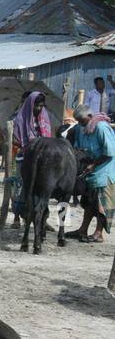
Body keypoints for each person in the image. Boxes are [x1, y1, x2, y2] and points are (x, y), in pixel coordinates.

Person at [70, 102, 115, 242]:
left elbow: (110, 152)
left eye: (81, 120)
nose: (79, 123)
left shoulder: (101, 128)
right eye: (77, 121)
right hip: (89, 169)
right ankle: (83, 229)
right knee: (89, 202)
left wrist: (94, 165)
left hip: (104, 169)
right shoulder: (80, 128)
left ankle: (98, 233)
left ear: (90, 116)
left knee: (102, 204)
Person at [10, 90, 53, 223]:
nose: (39, 108)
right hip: (24, 157)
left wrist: (41, 145)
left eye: (41, 106)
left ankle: (41, 219)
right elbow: (14, 139)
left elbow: (48, 137)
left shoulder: (44, 118)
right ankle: (17, 217)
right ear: (30, 104)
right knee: (20, 186)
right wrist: (30, 143)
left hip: (41, 160)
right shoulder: (19, 118)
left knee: (41, 188)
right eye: (37, 106)